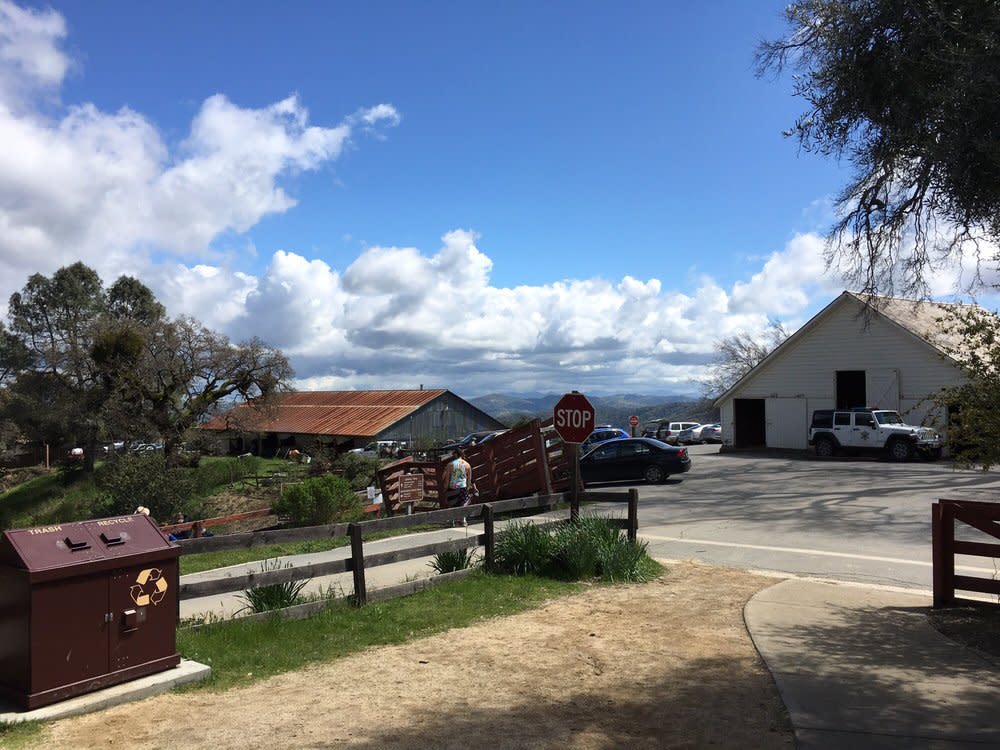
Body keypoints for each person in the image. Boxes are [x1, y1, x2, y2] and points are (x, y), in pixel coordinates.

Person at [442, 448, 474, 526]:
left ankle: (452, 521)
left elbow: (447, 478)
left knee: (452, 504)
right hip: (463, 487)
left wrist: (445, 487)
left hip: (452, 486)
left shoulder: (450, 465)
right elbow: (469, 478)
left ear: (456, 454)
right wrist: (468, 487)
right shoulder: (467, 465)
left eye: (453, 454)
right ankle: (463, 520)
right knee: (462, 504)